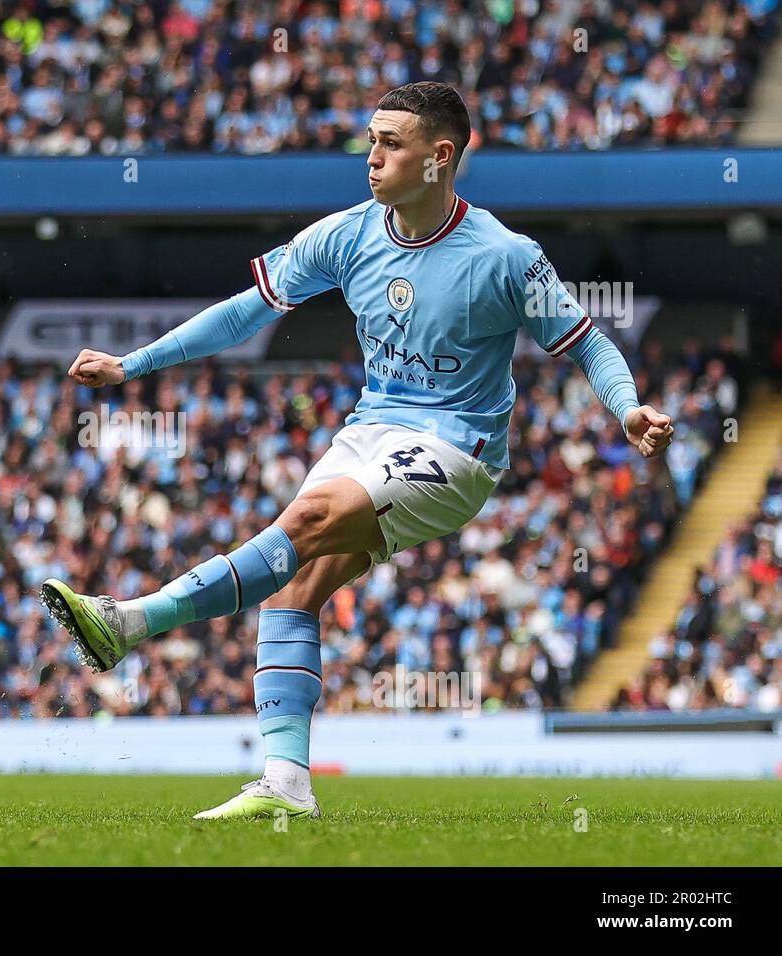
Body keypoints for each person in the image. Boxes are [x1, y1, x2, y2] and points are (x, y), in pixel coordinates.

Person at [41, 82, 674, 820]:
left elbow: (587, 341)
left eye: (390, 144)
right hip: (369, 433)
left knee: (309, 515)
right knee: (294, 587)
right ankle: (287, 784)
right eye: (370, 140)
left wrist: (626, 407)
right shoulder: (346, 234)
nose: (371, 158)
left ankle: (128, 622)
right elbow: (244, 313)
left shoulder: (505, 257)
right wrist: (132, 365)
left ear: (440, 158)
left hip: (457, 451)